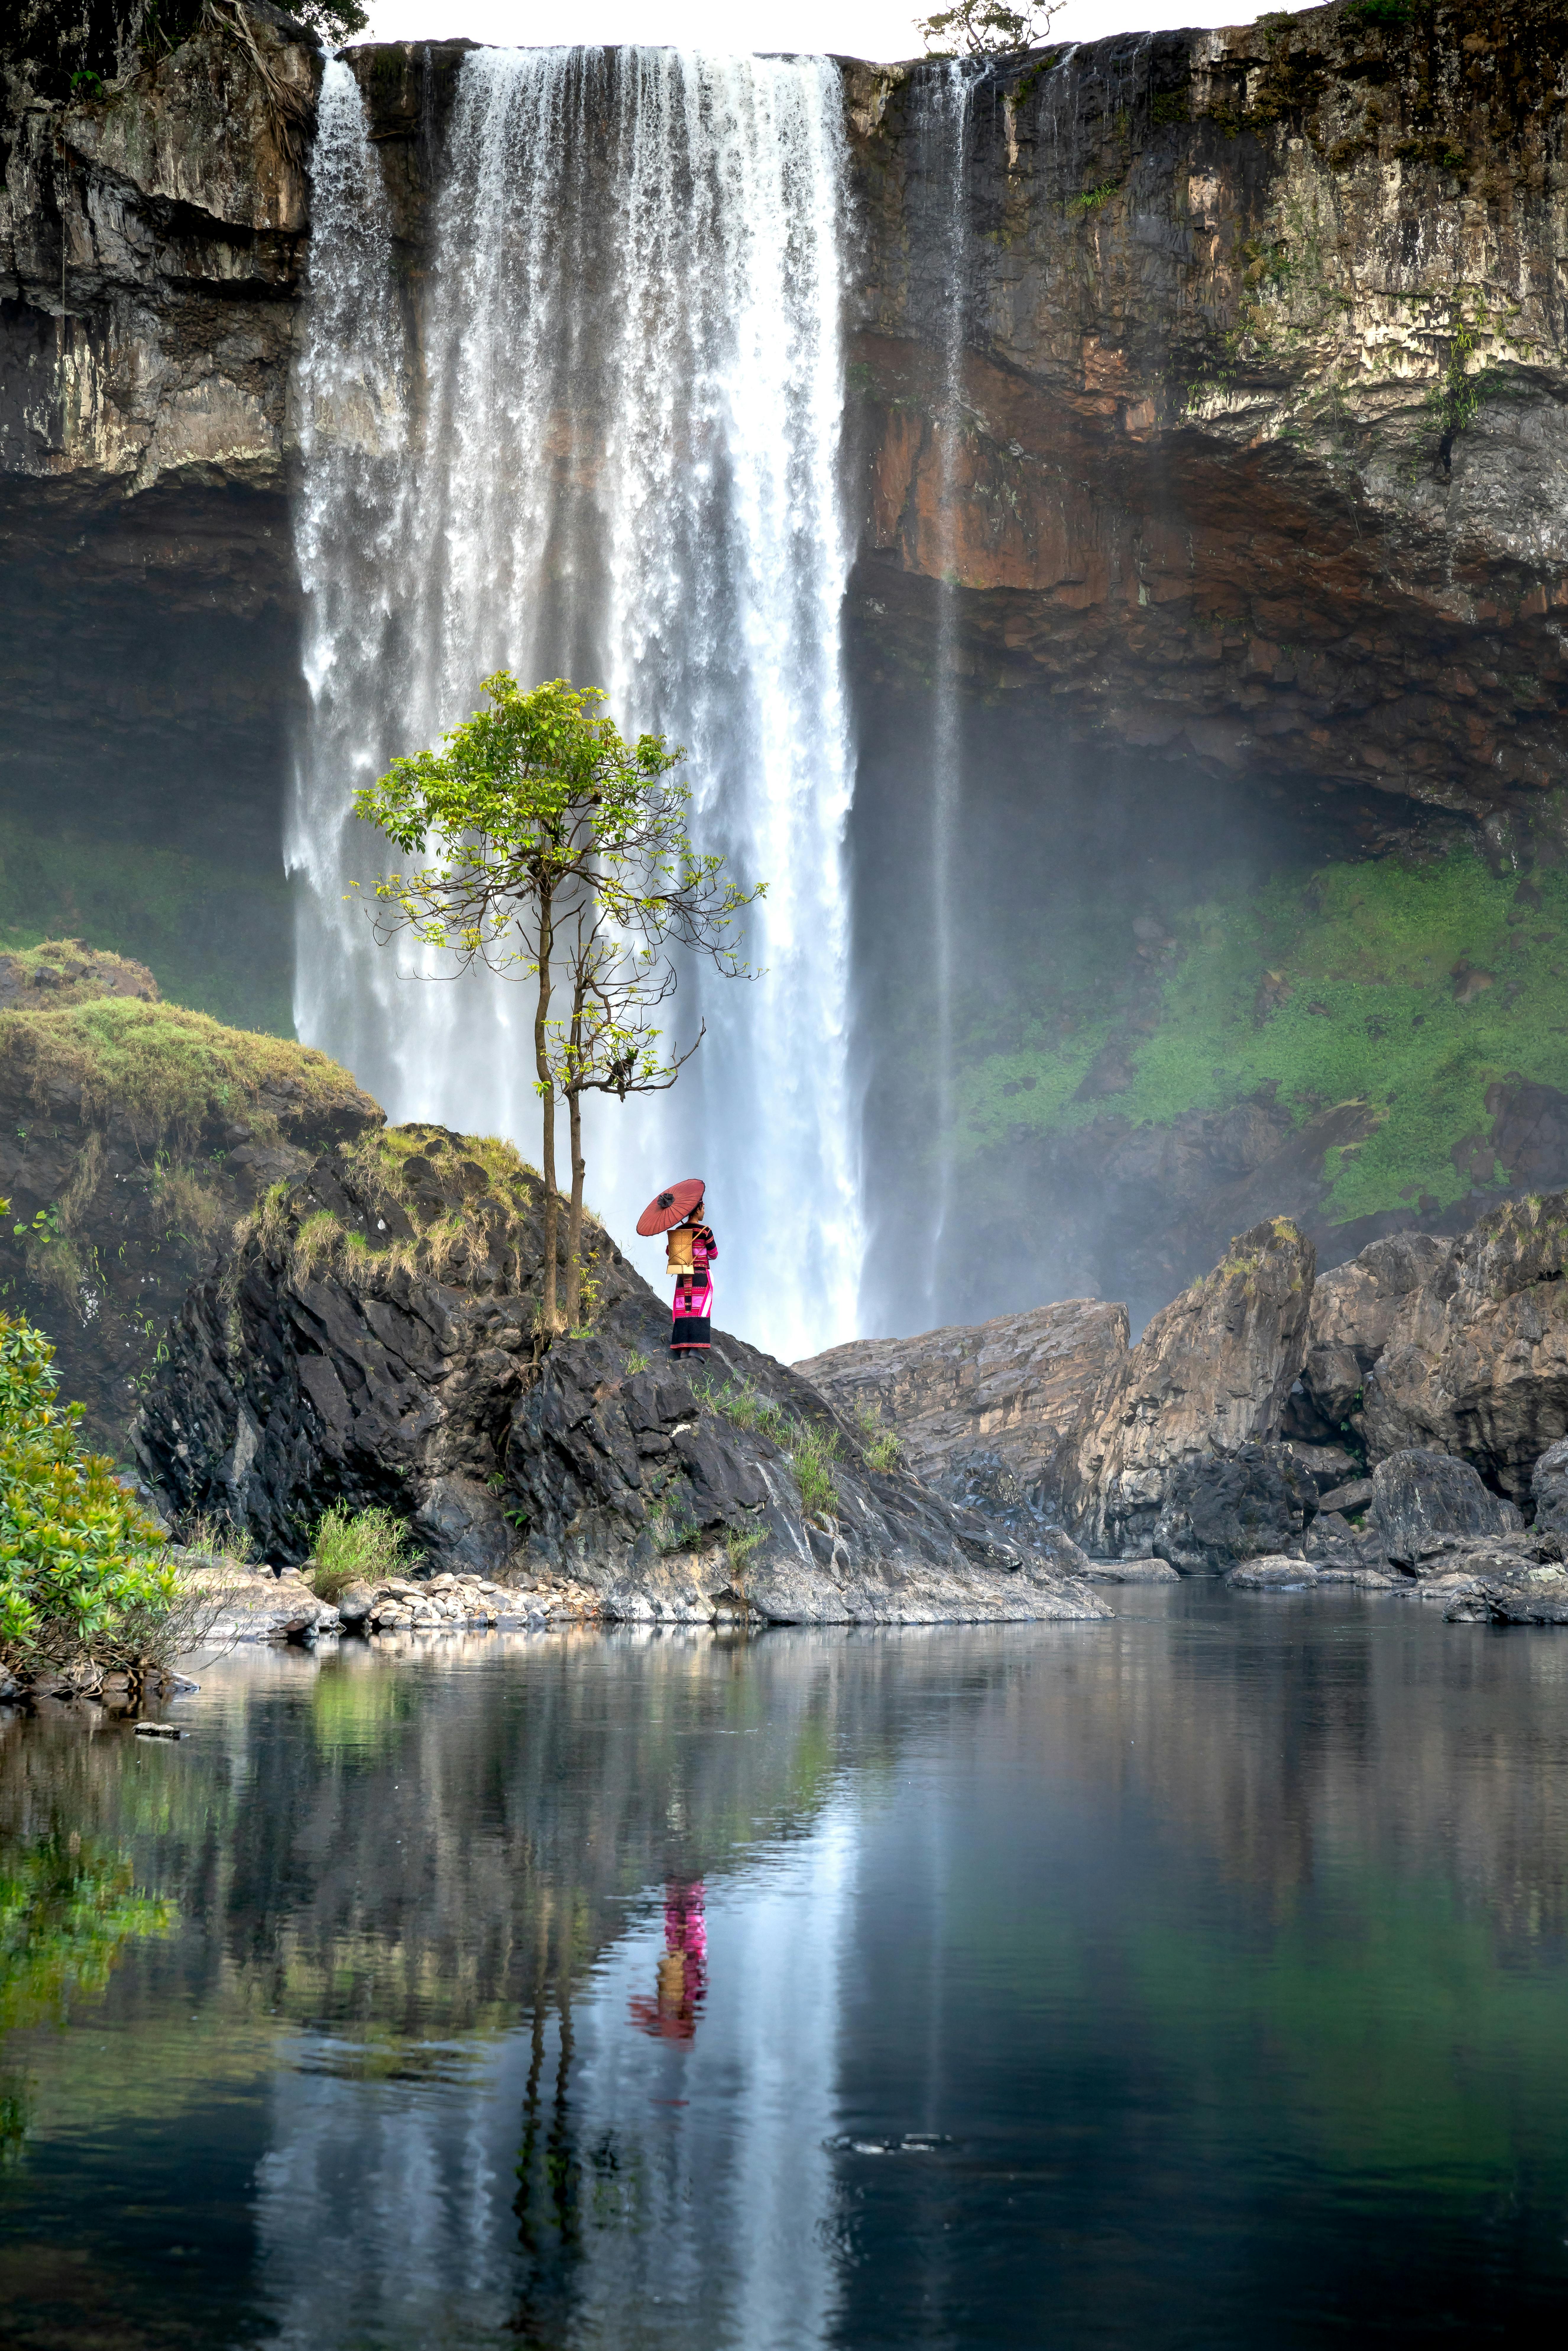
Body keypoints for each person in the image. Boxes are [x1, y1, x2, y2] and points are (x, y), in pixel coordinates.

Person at [667, 1196, 716, 1355]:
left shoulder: (680, 1231)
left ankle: (682, 1349)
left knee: (684, 1308)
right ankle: (695, 1349)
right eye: (703, 1209)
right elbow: (714, 1254)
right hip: (700, 1276)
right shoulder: (706, 1231)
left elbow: (670, 1252)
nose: (704, 1213)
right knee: (699, 1309)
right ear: (698, 1208)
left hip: (684, 1276)